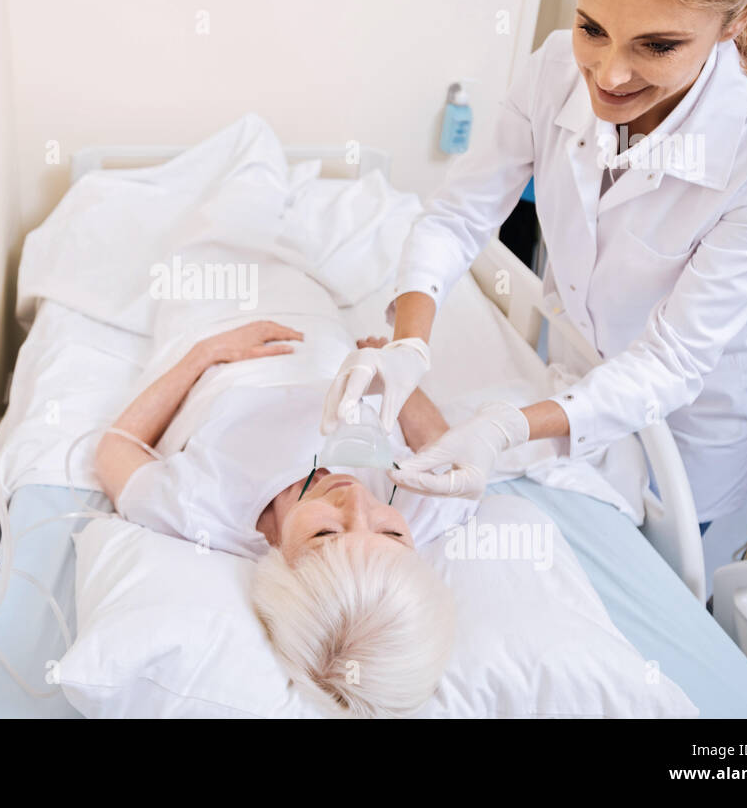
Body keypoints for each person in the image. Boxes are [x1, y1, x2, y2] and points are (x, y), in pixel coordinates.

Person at [327, 0, 747, 531]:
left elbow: (674, 359)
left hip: (694, 421)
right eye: (593, 27)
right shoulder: (552, 69)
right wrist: (409, 347)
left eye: (657, 46)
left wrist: (505, 428)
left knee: (656, 569)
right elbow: (456, 219)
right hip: (573, 372)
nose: (609, 73)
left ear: (736, 20)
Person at [93, 306, 468, 717]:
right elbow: (445, 447)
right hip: (328, 323)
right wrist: (396, 377)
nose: (356, 500)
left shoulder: (202, 506)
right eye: (391, 535)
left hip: (222, 316)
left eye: (326, 534)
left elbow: (116, 449)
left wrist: (205, 353)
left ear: (279, 564)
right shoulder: (431, 498)